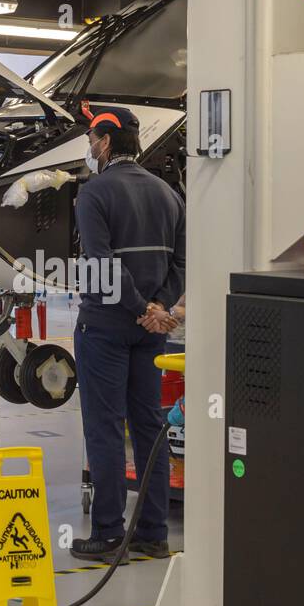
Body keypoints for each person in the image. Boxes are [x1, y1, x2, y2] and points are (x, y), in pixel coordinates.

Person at [71, 107, 185, 562]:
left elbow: (101, 265)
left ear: (104, 141)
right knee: (148, 426)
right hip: (151, 332)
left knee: (103, 428)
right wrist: (158, 309)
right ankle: (153, 533)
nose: (89, 147)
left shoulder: (94, 193)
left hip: (105, 327)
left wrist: (139, 309)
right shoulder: (169, 193)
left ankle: (108, 533)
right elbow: (181, 261)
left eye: (91, 138)